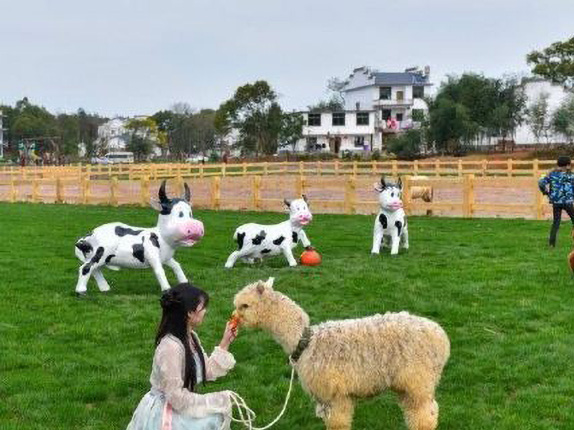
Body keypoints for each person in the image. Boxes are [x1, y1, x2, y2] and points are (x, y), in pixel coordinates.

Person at [126, 283, 238, 430]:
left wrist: (226, 340)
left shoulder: (190, 336)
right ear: (189, 313)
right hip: (165, 413)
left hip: (180, 405)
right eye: (202, 308)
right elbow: (175, 397)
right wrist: (212, 401)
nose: (205, 311)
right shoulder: (170, 347)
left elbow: (206, 370)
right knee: (213, 418)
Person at [538, 155, 574, 247]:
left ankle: (551, 244)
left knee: (556, 223)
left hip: (556, 202)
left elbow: (541, 182)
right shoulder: (571, 175)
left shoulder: (552, 174)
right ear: (567, 165)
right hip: (567, 202)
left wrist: (545, 192)